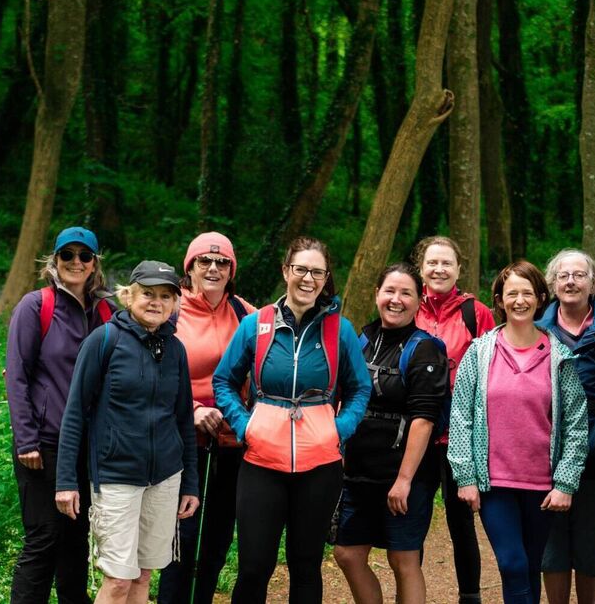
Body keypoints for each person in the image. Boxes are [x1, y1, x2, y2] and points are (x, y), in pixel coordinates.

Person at [213, 237, 372, 604]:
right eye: (300, 269)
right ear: (286, 271)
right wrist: (244, 425)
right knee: (254, 566)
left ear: (326, 277)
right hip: (261, 461)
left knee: (305, 564)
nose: (307, 279)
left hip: (320, 464)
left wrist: (338, 430)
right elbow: (223, 380)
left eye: (316, 272)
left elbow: (360, 389)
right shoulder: (256, 325)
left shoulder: (340, 330)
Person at [54, 261, 201, 604]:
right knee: (119, 580)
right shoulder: (104, 340)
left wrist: (190, 483)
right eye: (148, 293)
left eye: (166, 296)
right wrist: (65, 481)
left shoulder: (176, 350)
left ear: (175, 304)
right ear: (129, 295)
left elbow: (183, 420)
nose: (156, 302)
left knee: (143, 575)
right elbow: (74, 413)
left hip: (165, 478)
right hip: (116, 477)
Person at [448, 260, 589, 604]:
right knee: (512, 564)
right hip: (494, 482)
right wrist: (465, 476)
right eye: (512, 293)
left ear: (541, 298)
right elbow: (460, 418)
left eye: (527, 293)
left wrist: (565, 483)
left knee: (529, 566)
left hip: (541, 485)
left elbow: (576, 423)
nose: (520, 300)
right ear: (499, 299)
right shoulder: (480, 353)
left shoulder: (560, 357)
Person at [5, 226, 113, 604]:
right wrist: (26, 439)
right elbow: (16, 375)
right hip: (44, 443)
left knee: (75, 537)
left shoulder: (105, 311)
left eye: (84, 256)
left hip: (87, 445)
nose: (76, 263)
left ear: (95, 264)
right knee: (43, 538)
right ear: (55, 261)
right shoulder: (35, 306)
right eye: (68, 255)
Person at [332, 263, 450, 604]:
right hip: (357, 473)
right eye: (389, 291)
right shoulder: (364, 338)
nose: (396, 300)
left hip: (405, 476)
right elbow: (345, 395)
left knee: (403, 559)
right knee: (348, 553)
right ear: (377, 295)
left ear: (419, 301)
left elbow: (424, 419)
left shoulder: (426, 349)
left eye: (405, 293)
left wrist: (404, 479)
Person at [158, 232, 256, 604]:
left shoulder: (246, 312)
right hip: (181, 441)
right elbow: (154, 374)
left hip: (232, 442)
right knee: (181, 538)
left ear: (232, 270)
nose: (213, 269)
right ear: (190, 267)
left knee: (217, 539)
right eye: (204, 261)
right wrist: (193, 411)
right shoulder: (172, 309)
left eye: (222, 263)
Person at [412, 235, 496, 603]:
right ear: (421, 268)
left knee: (461, 521)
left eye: (447, 263)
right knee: (412, 519)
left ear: (459, 269)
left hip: (460, 435)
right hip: (416, 432)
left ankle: (470, 596)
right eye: (432, 263)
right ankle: (409, 592)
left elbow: (493, 369)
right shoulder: (409, 304)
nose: (439, 269)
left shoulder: (474, 312)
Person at [537, 250, 595, 604]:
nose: (571, 281)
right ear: (553, 284)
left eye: (579, 274)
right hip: (547, 451)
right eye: (563, 275)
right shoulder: (537, 328)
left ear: (593, 281)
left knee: (593, 543)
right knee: (552, 547)